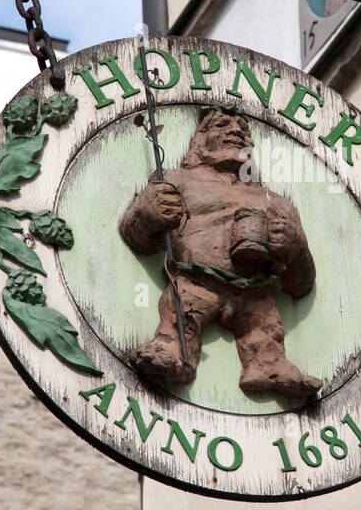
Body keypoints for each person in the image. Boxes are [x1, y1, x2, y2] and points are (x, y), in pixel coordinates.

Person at [119, 108, 322, 399]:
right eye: (222, 125)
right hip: (196, 279)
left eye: (244, 130)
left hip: (254, 289)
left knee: (266, 327)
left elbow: (301, 283)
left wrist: (295, 248)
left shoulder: (275, 202)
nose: (237, 131)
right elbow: (138, 237)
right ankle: (172, 351)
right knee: (182, 313)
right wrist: (147, 212)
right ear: (200, 141)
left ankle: (268, 367)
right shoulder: (177, 180)